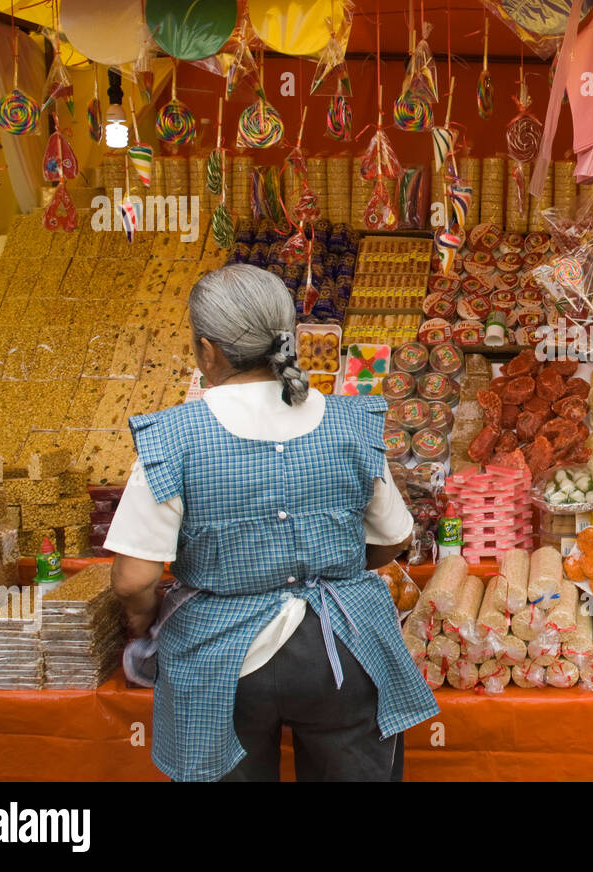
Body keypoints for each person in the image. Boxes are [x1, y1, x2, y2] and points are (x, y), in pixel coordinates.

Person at [106, 264, 437, 781]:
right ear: (289, 339)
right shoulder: (350, 422)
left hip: (222, 659)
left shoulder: (173, 437)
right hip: (342, 648)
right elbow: (394, 537)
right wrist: (338, 567)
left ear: (207, 351)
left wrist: (140, 623)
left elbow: (134, 578)